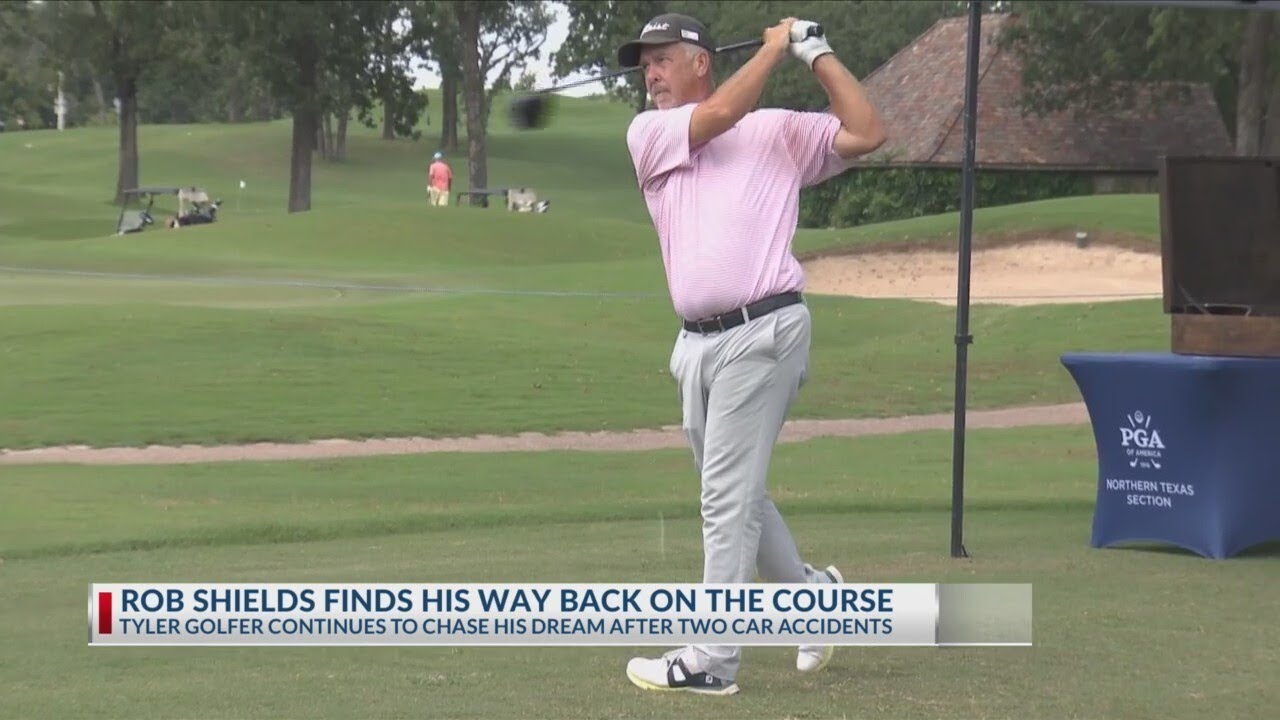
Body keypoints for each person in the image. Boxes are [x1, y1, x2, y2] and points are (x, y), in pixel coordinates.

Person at [617, 13, 887, 696]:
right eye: (643, 64)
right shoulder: (650, 134)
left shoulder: (778, 132)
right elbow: (723, 112)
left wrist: (814, 51)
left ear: (700, 61)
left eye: (662, 60)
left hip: (765, 333)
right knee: (737, 495)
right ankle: (816, 602)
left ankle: (712, 659)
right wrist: (772, 49)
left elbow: (867, 131)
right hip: (695, 346)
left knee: (725, 501)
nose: (649, 74)